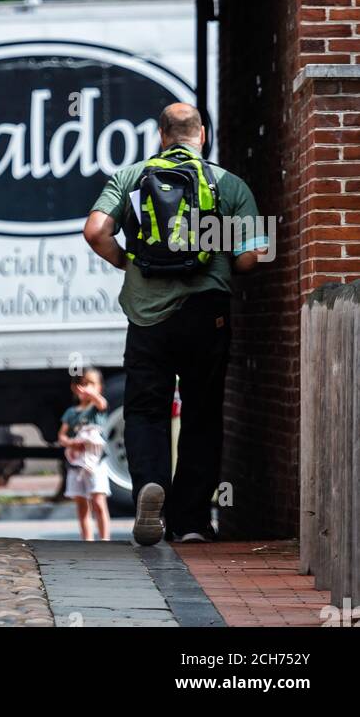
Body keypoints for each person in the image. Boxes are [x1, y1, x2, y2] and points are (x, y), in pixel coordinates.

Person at [84, 103, 268, 546]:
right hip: (208, 314)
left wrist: (131, 261)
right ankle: (191, 523)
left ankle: (151, 486)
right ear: (201, 136)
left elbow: (94, 231)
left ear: (161, 136)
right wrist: (211, 247)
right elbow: (253, 254)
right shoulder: (230, 184)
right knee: (202, 414)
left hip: (148, 318)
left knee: (147, 410)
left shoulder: (131, 179)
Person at [58, 367, 111, 541]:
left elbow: (102, 403)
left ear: (99, 388)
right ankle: (87, 540)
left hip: (96, 463)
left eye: (91, 384)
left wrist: (92, 394)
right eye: (83, 384)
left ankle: (104, 539)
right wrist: (71, 442)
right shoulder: (71, 413)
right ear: (76, 388)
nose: (86, 388)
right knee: (81, 503)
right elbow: (62, 435)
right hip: (77, 463)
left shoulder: (97, 408)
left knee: (98, 501)